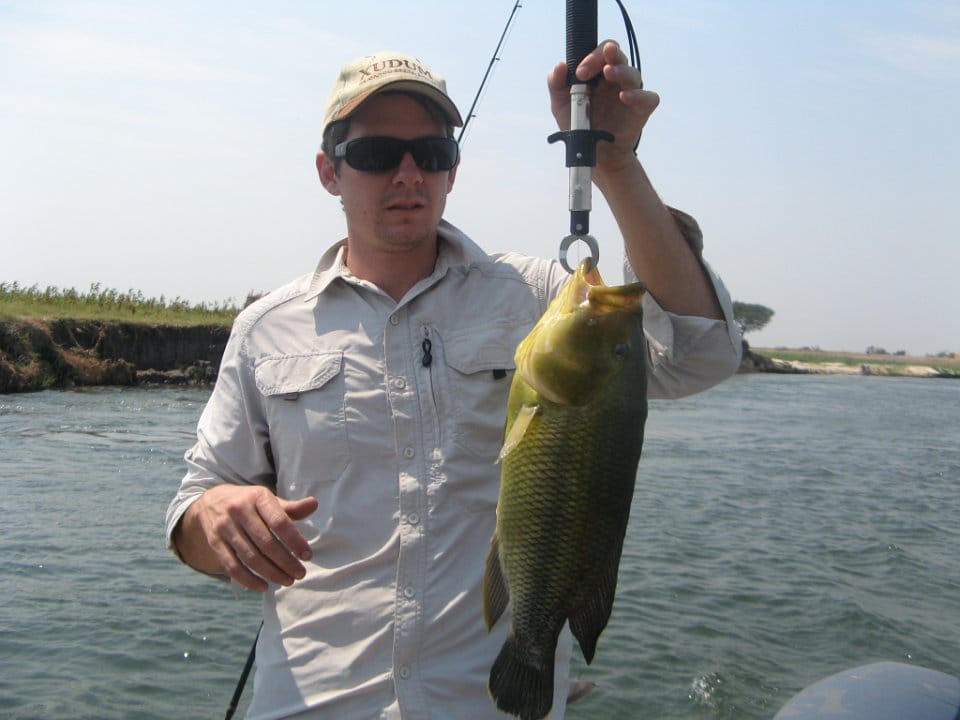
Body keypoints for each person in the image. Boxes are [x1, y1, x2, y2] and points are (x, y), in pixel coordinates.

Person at [166, 44, 742, 720]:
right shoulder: (266, 329)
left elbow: (701, 352)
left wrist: (615, 163)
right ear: (330, 171)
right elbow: (194, 519)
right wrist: (217, 517)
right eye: (379, 154)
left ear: (453, 171)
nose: (408, 174)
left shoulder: (536, 297)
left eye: (432, 154)